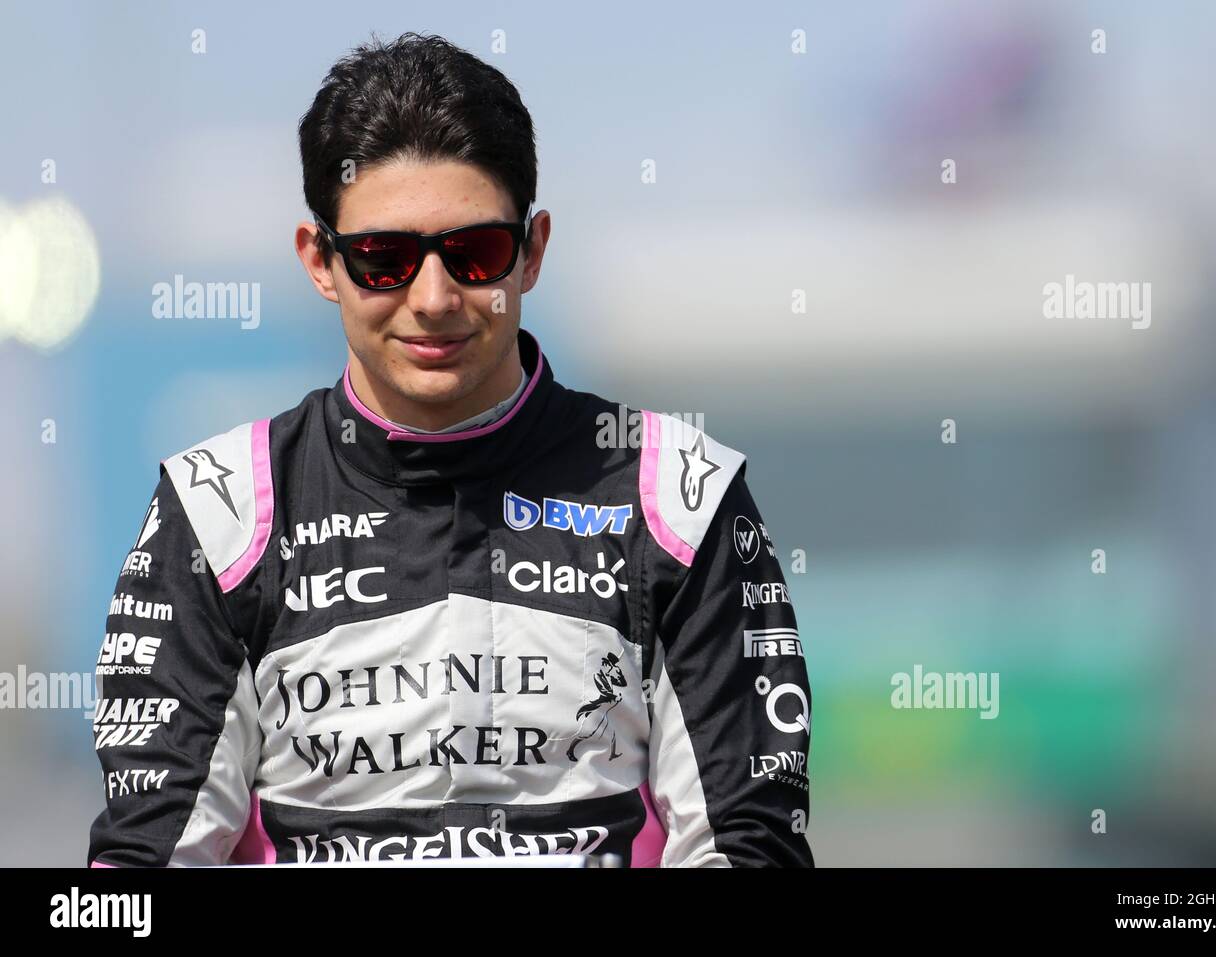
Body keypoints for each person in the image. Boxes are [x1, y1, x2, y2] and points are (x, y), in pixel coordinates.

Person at [87, 32, 812, 867]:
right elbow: (138, 868)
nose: (433, 299)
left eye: (474, 254)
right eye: (385, 260)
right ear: (321, 262)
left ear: (532, 251)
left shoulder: (680, 496)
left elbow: (750, 845)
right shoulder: (215, 509)